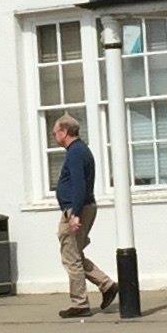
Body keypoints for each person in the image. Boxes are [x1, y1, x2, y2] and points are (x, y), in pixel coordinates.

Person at [51, 115, 117, 318]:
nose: (54, 136)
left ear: (64, 132)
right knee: (75, 254)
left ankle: (80, 303)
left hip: (76, 209)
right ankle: (106, 285)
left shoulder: (76, 153)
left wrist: (75, 215)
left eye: (55, 132)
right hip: (81, 207)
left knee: (71, 258)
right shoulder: (79, 151)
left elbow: (79, 185)